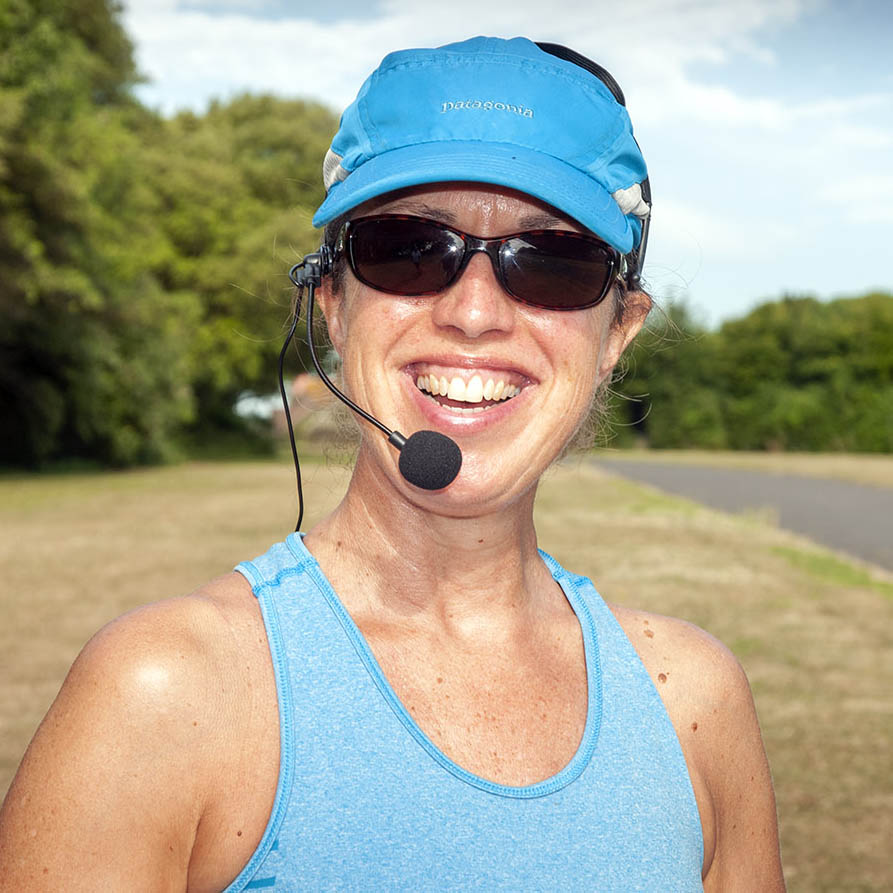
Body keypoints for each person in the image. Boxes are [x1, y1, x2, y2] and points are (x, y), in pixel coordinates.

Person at [0, 36, 784, 891]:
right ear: (332, 304)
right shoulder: (164, 694)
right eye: (409, 247)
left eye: (551, 263)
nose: (475, 311)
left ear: (616, 334)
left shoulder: (693, 704)